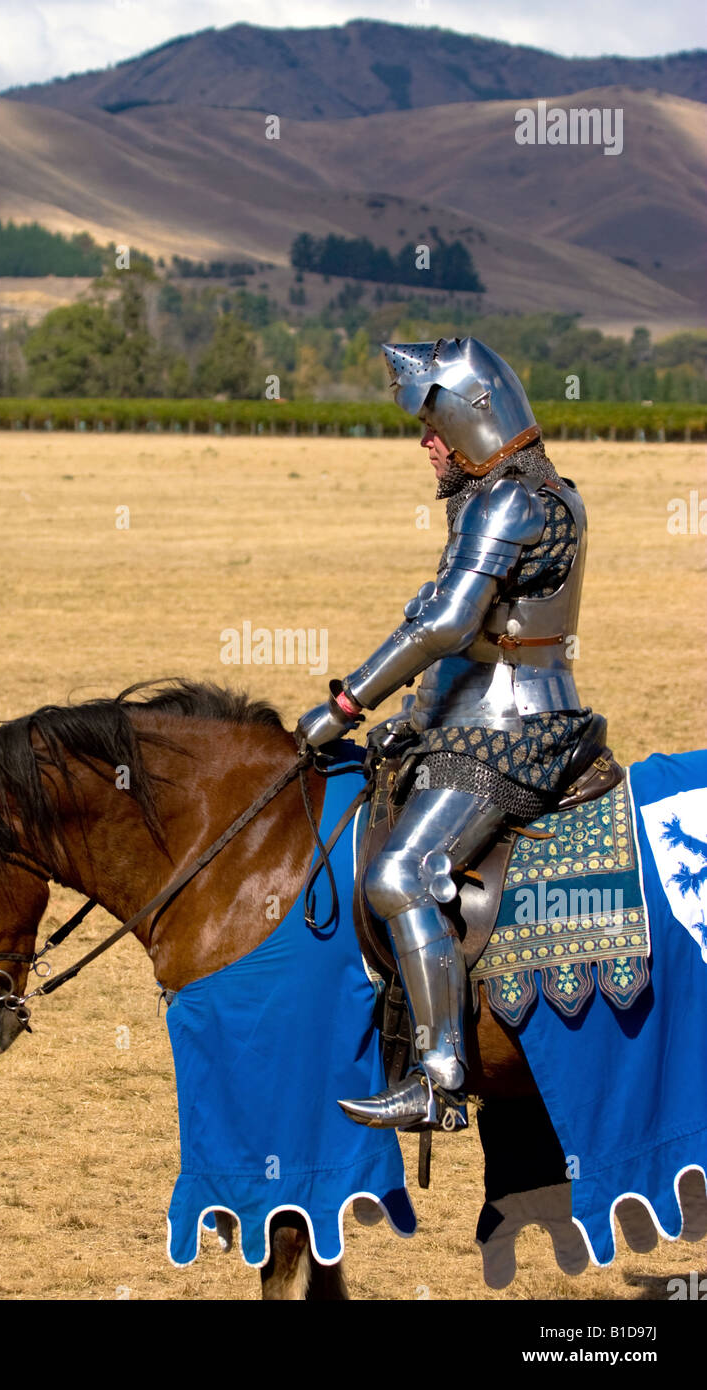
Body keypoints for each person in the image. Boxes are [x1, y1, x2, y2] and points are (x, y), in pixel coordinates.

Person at [298, 337, 598, 1131]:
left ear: (472, 418)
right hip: (467, 716)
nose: (425, 443)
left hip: (509, 730)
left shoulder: (511, 502)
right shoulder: (518, 494)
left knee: (397, 875)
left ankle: (437, 1077)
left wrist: (345, 704)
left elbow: (445, 625)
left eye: (433, 426)